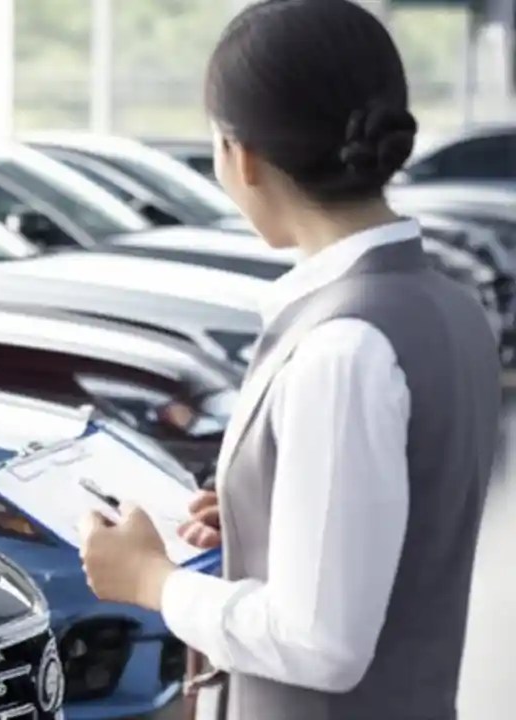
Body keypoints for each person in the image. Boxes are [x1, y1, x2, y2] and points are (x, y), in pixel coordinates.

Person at [77, 2, 502, 720]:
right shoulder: (449, 307)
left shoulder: (342, 347)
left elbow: (321, 646)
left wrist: (151, 581)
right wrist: (257, 517)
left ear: (240, 155)